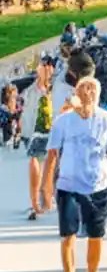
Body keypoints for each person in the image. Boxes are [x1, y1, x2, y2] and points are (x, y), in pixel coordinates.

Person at [39, 77, 107, 272]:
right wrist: (45, 187)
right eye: (84, 87)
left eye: (93, 88)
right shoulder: (63, 122)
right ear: (76, 93)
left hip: (98, 186)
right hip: (68, 186)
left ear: (99, 95)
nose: (89, 91)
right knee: (68, 235)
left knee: (96, 236)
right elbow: (51, 156)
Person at [21, 55, 56, 221]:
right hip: (49, 126)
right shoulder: (57, 83)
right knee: (48, 162)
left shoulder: (33, 86)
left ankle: (37, 201)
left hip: (34, 127)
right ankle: (45, 200)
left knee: (36, 160)